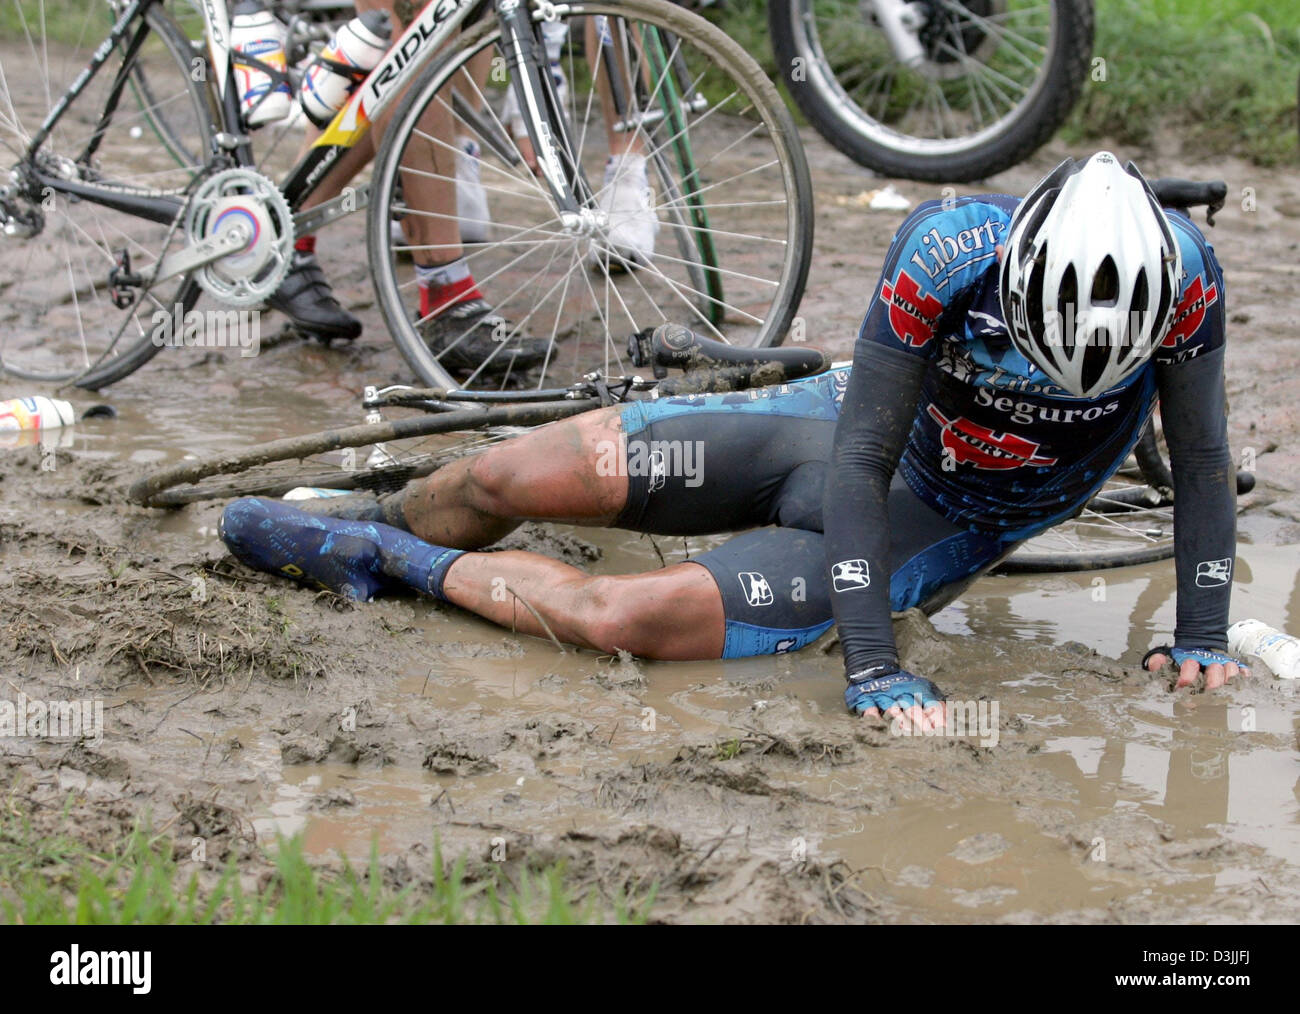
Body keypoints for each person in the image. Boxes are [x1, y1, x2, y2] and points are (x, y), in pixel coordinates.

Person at [218, 152, 1247, 723]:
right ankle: (371, 510)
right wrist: (876, 666)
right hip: (843, 436)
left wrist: (1201, 633)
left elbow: (1199, 460)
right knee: (509, 470)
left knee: (626, 619)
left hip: (938, 515)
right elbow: (856, 455)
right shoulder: (946, 248)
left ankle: (382, 557)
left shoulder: (1190, 278)